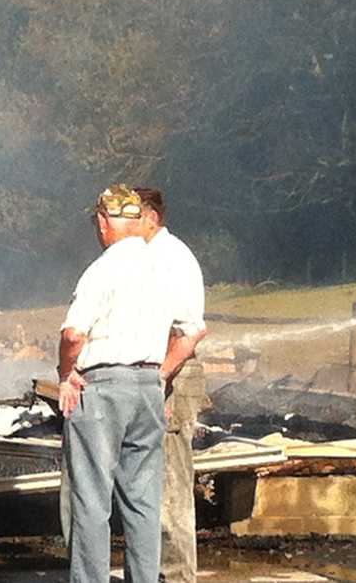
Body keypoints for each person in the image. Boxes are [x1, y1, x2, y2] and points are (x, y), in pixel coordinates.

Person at [59, 184, 182, 583]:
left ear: (103, 222)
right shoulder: (162, 269)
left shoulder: (103, 268)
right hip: (149, 384)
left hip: (104, 387)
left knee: (92, 499)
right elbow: (189, 330)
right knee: (143, 500)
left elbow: (74, 334)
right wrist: (159, 377)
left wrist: (65, 376)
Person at [134, 187, 207, 583]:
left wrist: (158, 378)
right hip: (159, 376)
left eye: (133, 215)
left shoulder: (168, 258)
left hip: (173, 377)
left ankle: (178, 576)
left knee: (172, 485)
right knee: (152, 482)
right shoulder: (145, 257)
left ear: (152, 218)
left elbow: (188, 331)